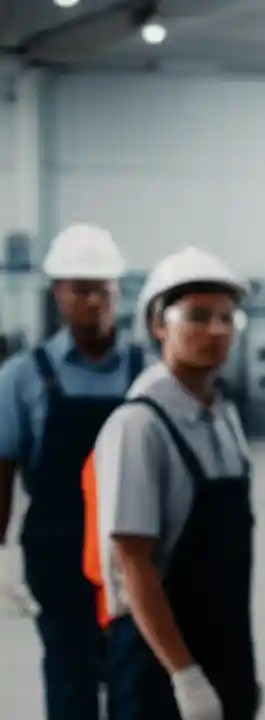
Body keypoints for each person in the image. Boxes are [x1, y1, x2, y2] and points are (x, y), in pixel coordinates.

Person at [83, 247, 259, 720]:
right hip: (155, 665)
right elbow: (133, 562)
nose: (217, 330)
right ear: (160, 324)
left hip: (223, 648)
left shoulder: (223, 416)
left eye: (227, 318)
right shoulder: (140, 425)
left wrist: (238, 671)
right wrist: (184, 674)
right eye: (199, 317)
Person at [0, 223, 143, 720]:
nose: (94, 302)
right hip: (58, 555)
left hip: (134, 557)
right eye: (81, 290)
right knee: (69, 683)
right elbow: (3, 468)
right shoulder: (22, 376)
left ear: (117, 293)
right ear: (58, 293)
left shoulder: (147, 373)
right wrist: (1, 556)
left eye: (103, 290)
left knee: (135, 682)